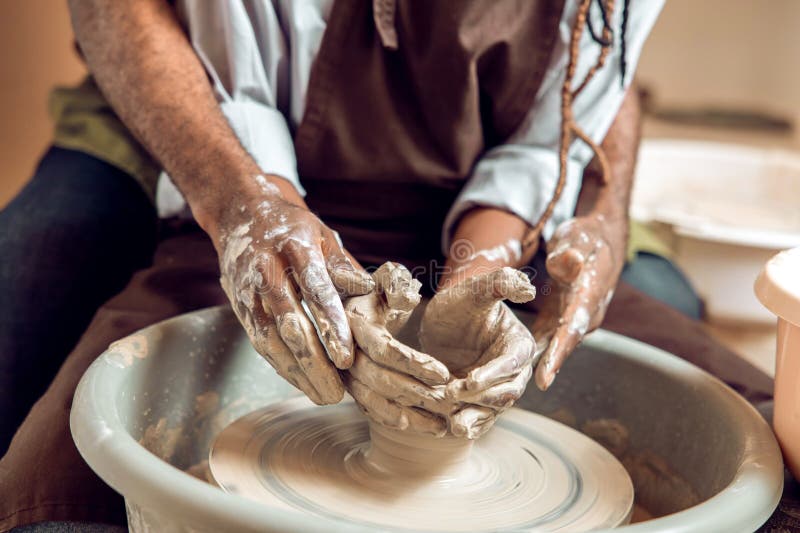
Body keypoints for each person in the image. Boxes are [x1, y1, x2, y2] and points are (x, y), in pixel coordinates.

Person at [0, 1, 773, 530]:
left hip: (484, 187)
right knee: (28, 314)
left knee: (741, 404)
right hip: (211, 132)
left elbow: (584, 97)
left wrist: (476, 275)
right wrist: (244, 209)